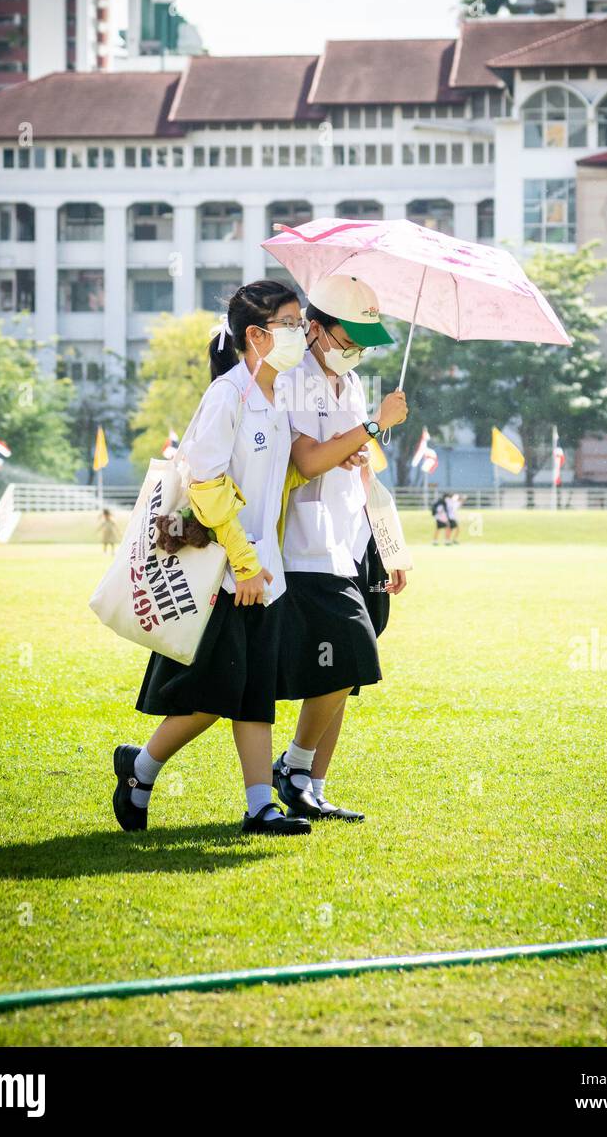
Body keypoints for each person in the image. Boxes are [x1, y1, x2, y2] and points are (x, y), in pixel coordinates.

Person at [112, 280, 314, 837]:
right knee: (215, 693)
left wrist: (322, 465)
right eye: (292, 323)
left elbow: (269, 480)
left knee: (252, 694)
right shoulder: (228, 395)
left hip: (261, 572)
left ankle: (258, 807)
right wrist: (243, 562)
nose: (303, 333)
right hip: (226, 574)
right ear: (256, 334)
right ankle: (141, 768)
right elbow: (205, 482)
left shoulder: (278, 396)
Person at [272, 274, 409, 822]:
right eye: (346, 337)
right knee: (353, 653)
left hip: (349, 538)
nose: (353, 349)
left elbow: (345, 455)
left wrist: (387, 543)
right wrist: (375, 425)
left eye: (361, 342)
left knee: (344, 671)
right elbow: (305, 461)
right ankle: (293, 767)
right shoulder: (295, 378)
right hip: (304, 543)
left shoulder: (346, 383)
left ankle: (313, 785)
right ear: (316, 327)